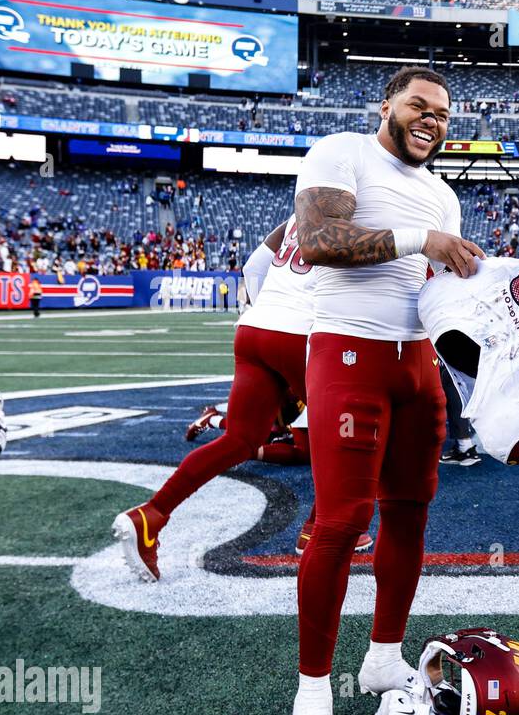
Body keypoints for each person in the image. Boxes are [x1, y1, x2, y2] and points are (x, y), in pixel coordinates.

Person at [290, 66, 483, 715]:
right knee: (341, 521)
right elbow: (320, 241)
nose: (433, 120)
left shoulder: (443, 195)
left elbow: (442, 300)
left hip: (417, 366)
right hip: (348, 354)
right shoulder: (343, 151)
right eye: (419, 106)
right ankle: (312, 698)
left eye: (444, 113)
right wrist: (420, 241)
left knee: (410, 514)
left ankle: (381, 659)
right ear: (388, 106)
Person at [112, 214, 359, 582]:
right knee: (347, 438)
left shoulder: (302, 210)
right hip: (304, 332)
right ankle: (315, 530)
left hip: (255, 327)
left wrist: (267, 315)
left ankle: (152, 513)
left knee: (240, 440)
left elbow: (253, 265)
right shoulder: (371, 202)